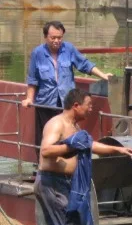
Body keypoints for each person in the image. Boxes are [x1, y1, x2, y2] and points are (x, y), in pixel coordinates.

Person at [35, 88, 132, 225]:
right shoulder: (57, 123)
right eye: (88, 105)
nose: (91, 109)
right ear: (76, 105)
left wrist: (117, 149)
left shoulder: (75, 128)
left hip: (65, 184)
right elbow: (46, 151)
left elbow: (90, 145)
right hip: (52, 183)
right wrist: (71, 146)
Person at [22, 21, 112, 155]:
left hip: (66, 103)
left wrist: (103, 75)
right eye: (53, 38)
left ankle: (68, 160)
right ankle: (42, 162)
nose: (56, 41)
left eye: (59, 37)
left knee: (67, 134)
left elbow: (85, 64)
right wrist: (29, 98)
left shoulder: (68, 49)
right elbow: (32, 80)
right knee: (44, 136)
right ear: (46, 37)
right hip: (45, 103)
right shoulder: (37, 53)